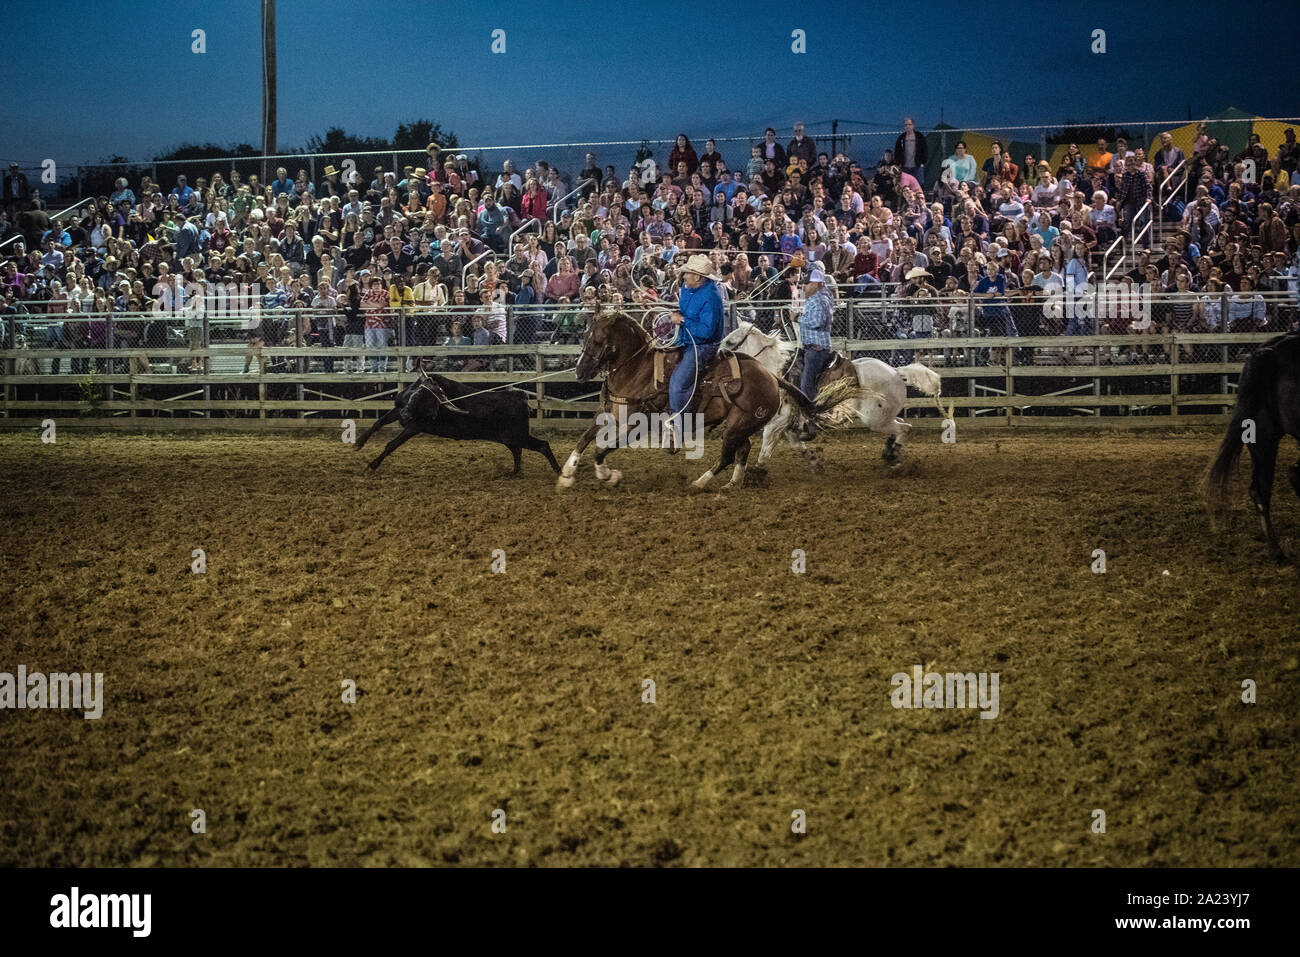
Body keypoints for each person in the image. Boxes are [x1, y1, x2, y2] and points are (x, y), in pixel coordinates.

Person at [665, 254, 725, 451]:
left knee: (678, 383)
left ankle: (680, 429)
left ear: (698, 277)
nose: (684, 277)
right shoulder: (687, 288)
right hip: (686, 338)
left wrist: (682, 321)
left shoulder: (712, 297)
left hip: (703, 345)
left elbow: (707, 331)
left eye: (688, 274)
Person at [797, 263, 834, 400]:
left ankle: (813, 414)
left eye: (807, 283)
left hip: (816, 350)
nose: (804, 287)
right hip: (813, 348)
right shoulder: (817, 298)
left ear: (816, 284)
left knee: (807, 386)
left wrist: (798, 318)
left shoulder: (820, 299)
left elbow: (817, 322)